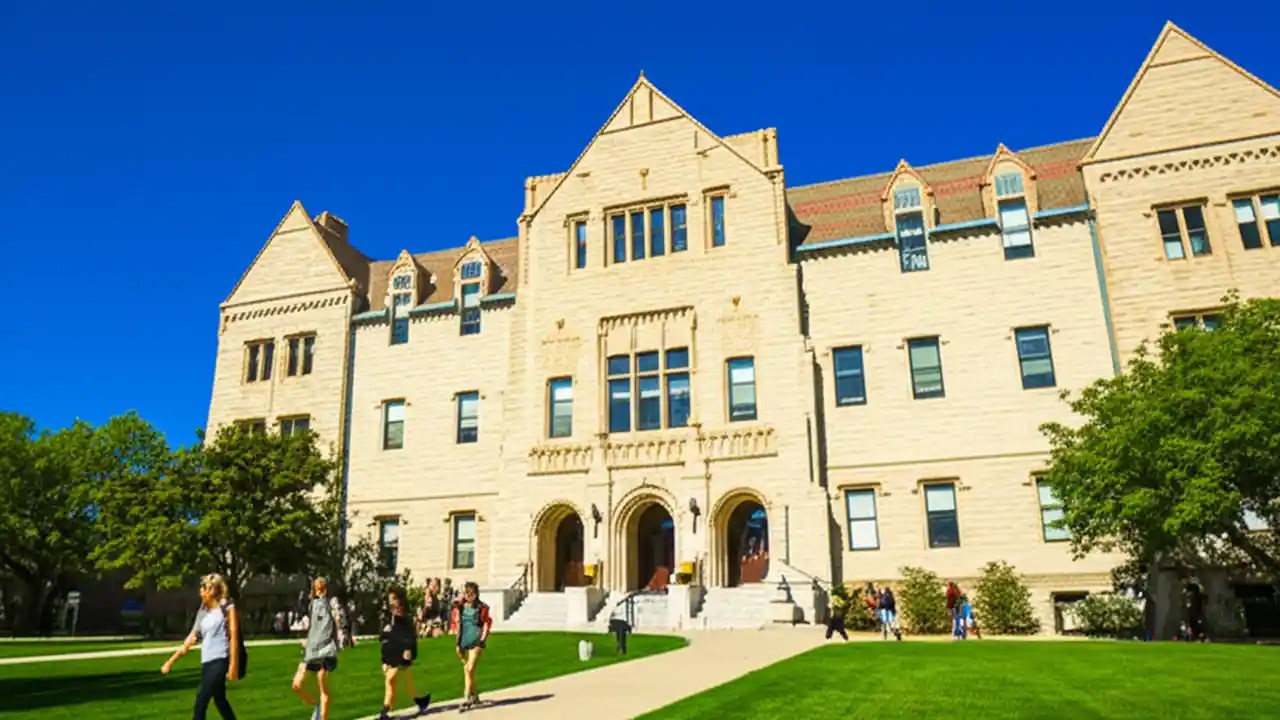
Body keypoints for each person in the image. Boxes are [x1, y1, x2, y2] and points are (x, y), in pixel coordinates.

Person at [161, 573, 240, 720]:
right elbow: (190, 640)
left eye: (205, 588)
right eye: (202, 587)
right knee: (220, 700)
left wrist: (233, 664)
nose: (202, 591)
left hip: (220, 659)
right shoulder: (202, 612)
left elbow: (234, 636)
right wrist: (170, 662)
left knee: (201, 699)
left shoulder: (227, 607)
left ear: (213, 590)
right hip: (207, 662)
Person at [292, 577, 342, 720]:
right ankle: (317, 705)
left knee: (322, 682)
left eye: (320, 586)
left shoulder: (330, 604)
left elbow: (336, 621)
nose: (317, 588)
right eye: (315, 586)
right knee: (296, 685)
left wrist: (341, 639)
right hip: (312, 651)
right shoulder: (311, 604)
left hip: (326, 651)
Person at [379, 586, 430, 719]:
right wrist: (383, 660)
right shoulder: (388, 618)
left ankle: (384, 711)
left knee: (391, 680)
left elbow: (410, 639)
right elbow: (384, 640)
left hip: (402, 657)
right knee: (401, 683)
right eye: (391, 599)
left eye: (394, 599)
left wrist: (408, 651)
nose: (392, 603)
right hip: (391, 656)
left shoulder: (406, 620)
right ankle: (421, 700)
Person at [449, 581, 492, 710]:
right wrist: (457, 643)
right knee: (468, 670)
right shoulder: (460, 607)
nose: (469, 596)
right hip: (464, 639)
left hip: (476, 640)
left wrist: (483, 639)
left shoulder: (481, 608)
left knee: (469, 667)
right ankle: (475, 695)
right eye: (467, 593)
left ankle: (466, 697)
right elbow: (458, 624)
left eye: (472, 593)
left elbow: (486, 623)